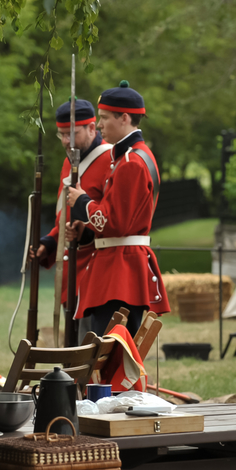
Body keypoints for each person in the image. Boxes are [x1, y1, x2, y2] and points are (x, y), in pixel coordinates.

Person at [64, 80, 170, 336]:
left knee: (113, 358)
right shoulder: (128, 157)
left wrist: (81, 202)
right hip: (118, 266)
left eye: (104, 118)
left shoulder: (131, 161)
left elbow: (116, 224)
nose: (99, 125)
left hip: (121, 270)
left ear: (124, 118)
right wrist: (87, 228)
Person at [35, 98, 112, 318]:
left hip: (96, 264)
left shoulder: (111, 159)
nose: (67, 141)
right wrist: (50, 241)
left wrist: (86, 229)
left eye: (72, 133)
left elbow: (110, 215)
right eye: (62, 134)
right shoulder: (70, 160)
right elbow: (65, 213)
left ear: (91, 128)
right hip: (71, 264)